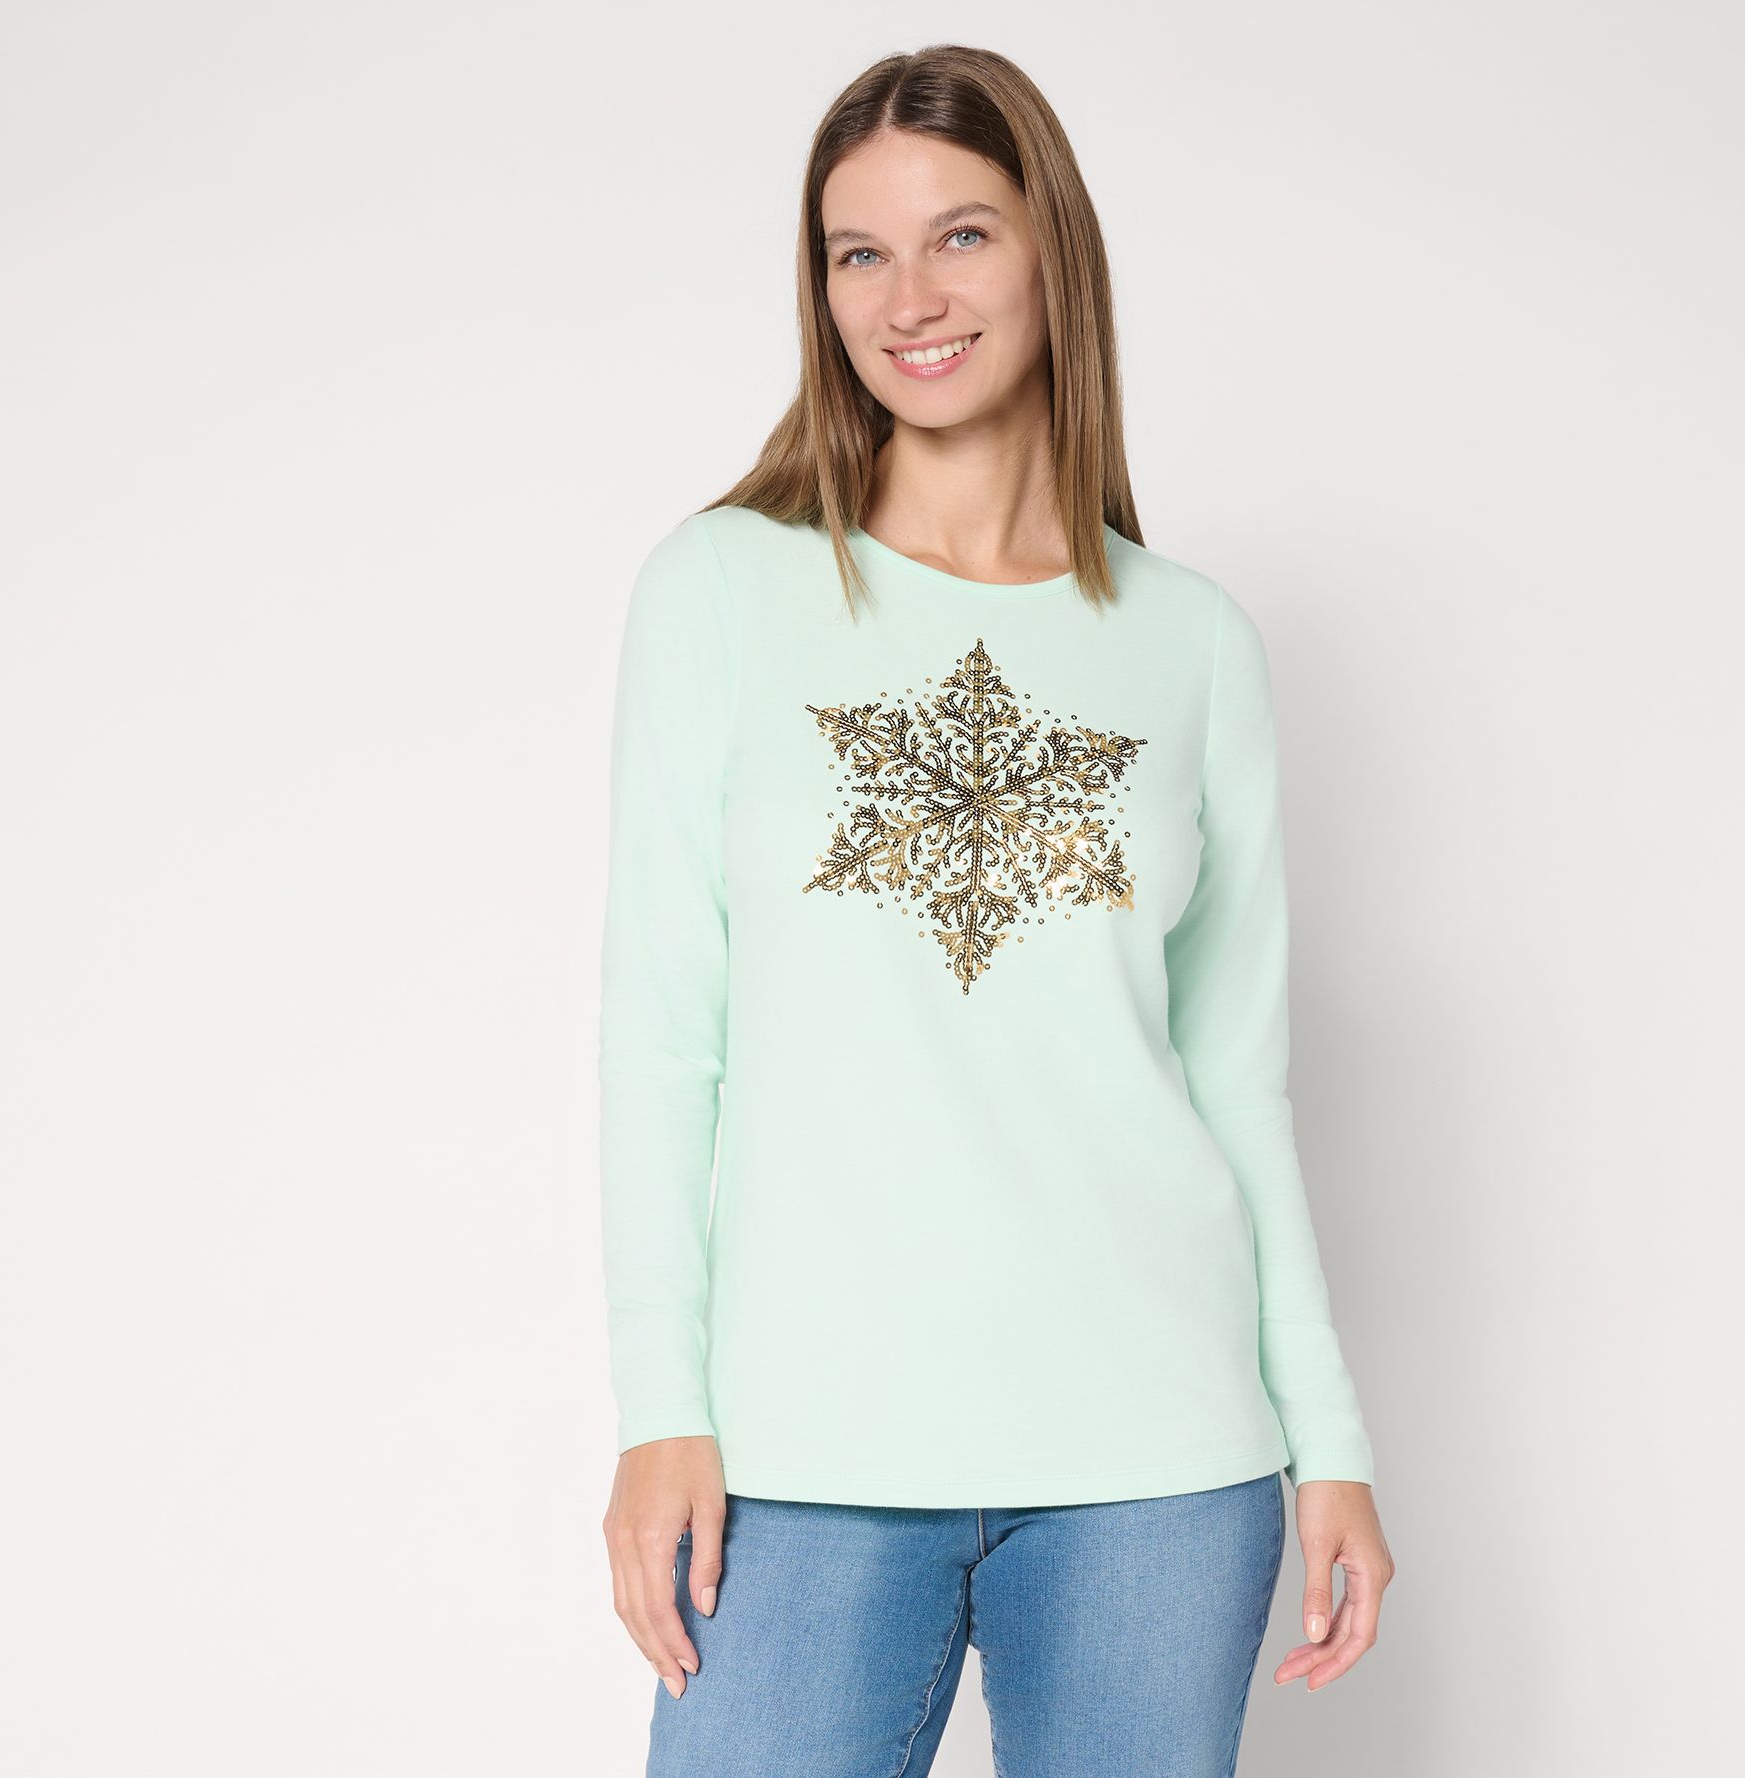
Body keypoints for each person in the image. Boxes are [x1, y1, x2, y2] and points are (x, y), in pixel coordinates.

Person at [597, 43, 1395, 1777]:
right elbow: (663, 1042)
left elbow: (1238, 1077)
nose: (910, 298)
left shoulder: (1194, 645)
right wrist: (662, 1409)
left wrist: (1326, 1433)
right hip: (805, 1453)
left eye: (960, 235)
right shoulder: (721, 588)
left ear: (1054, 251)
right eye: (858, 253)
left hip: (1158, 1461)